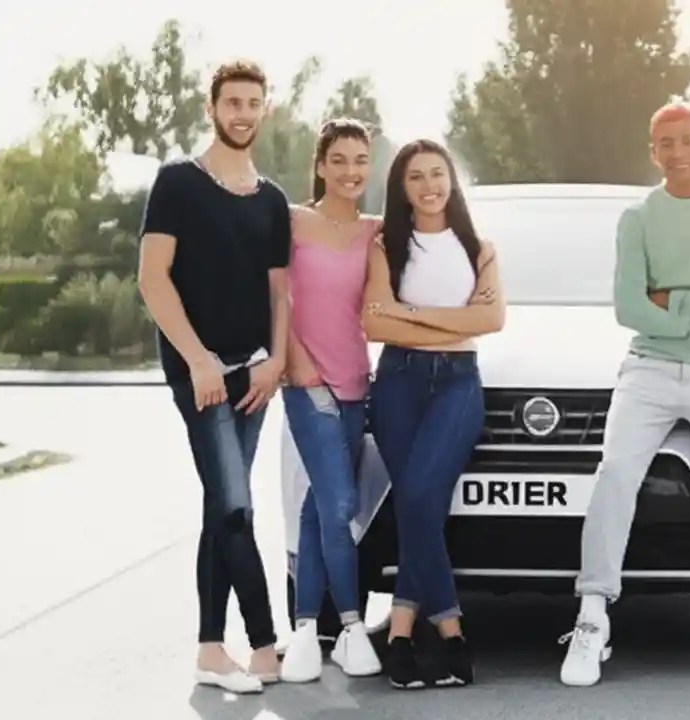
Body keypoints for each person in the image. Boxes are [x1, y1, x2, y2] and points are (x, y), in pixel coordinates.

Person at [559, 104, 690, 687]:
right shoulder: (638, 218)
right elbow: (629, 308)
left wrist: (669, 303)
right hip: (649, 368)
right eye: (665, 144)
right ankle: (593, 617)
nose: (677, 152)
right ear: (652, 152)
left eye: (687, 141)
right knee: (615, 474)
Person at [136, 59, 290, 694]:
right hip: (199, 373)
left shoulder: (274, 199)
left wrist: (278, 360)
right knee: (234, 505)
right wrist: (198, 359)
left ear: (264, 109)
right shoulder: (177, 183)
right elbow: (153, 278)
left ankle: (208, 650)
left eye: (254, 102)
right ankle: (262, 646)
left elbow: (281, 291)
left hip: (254, 374)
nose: (243, 113)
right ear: (213, 108)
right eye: (233, 102)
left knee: (220, 508)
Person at [361, 138, 505, 689]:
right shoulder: (385, 246)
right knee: (422, 505)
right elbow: (376, 326)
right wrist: (453, 320)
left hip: (457, 387)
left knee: (418, 497)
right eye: (416, 176)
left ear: (452, 179)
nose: (429, 186)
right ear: (402, 187)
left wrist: (410, 313)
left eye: (437, 173)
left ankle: (424, 631)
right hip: (398, 383)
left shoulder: (479, 248)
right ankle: (435, 637)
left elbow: (492, 320)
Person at [277, 118, 383, 683]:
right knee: (340, 504)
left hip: (356, 384)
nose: (350, 172)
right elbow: (274, 297)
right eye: (339, 160)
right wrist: (294, 359)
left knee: (320, 502)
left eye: (360, 160)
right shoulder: (293, 222)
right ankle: (346, 625)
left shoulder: (376, 231)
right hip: (306, 381)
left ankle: (304, 630)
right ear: (320, 165)